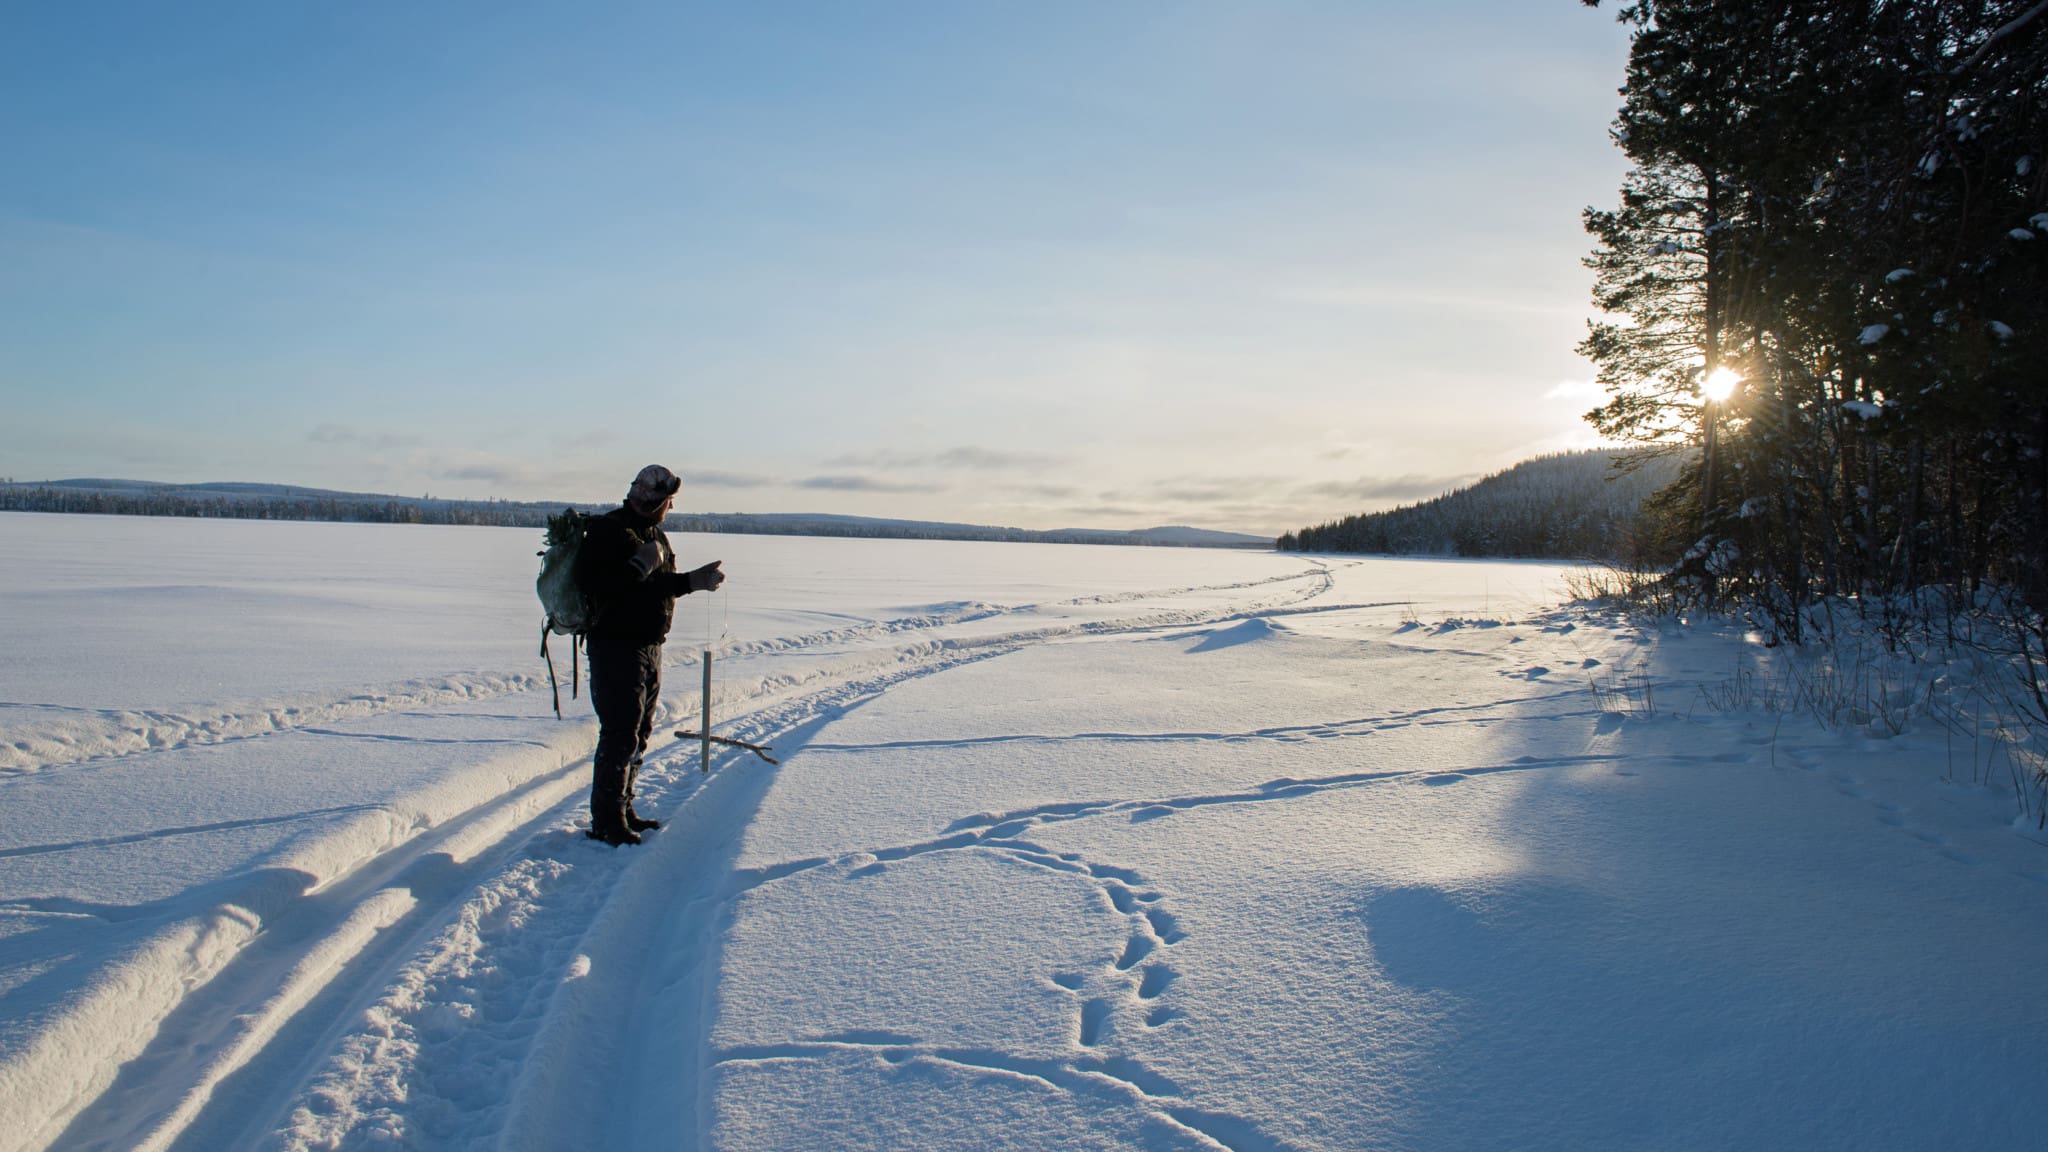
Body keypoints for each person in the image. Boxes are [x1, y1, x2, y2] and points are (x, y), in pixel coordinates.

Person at [574, 464, 726, 845]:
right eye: (665, 501)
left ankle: (623, 809)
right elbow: (602, 585)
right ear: (650, 499)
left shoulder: (654, 535)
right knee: (621, 733)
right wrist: (660, 572)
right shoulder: (609, 531)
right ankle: (607, 821)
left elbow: (658, 586)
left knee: (639, 732)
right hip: (614, 646)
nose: (666, 508)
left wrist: (690, 581)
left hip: (649, 645)